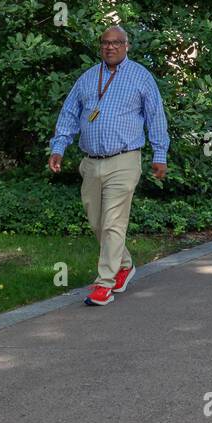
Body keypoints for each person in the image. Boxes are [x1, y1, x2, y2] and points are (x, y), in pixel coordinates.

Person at [49, 26, 170, 307]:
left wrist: (160, 154)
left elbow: (156, 116)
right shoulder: (88, 78)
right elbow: (69, 113)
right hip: (91, 162)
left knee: (114, 221)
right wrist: (58, 147)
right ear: (100, 46)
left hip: (125, 159)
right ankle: (124, 264)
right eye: (105, 42)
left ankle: (104, 284)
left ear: (127, 45)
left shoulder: (141, 76)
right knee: (98, 223)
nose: (110, 47)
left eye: (116, 42)